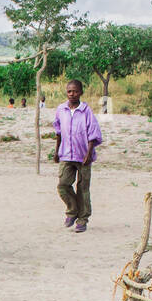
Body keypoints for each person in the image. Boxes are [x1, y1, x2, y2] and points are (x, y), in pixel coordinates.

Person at [52, 80, 103, 233]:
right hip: (66, 154)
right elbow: (59, 133)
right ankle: (72, 211)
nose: (72, 94)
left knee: (82, 188)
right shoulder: (61, 109)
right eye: (69, 91)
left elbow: (93, 134)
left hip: (83, 156)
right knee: (63, 185)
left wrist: (88, 153)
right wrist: (56, 151)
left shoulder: (86, 111)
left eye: (75, 91)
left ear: (81, 92)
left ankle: (82, 219)